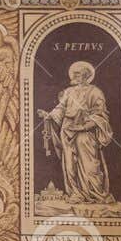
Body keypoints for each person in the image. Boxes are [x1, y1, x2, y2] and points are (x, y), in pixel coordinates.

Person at [39, 61, 115, 206]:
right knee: (69, 164)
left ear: (86, 76)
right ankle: (76, 193)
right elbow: (61, 108)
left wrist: (84, 126)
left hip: (85, 133)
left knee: (89, 165)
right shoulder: (69, 92)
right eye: (73, 73)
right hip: (67, 131)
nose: (74, 76)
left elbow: (100, 114)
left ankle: (96, 192)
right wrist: (49, 115)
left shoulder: (95, 92)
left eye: (78, 74)